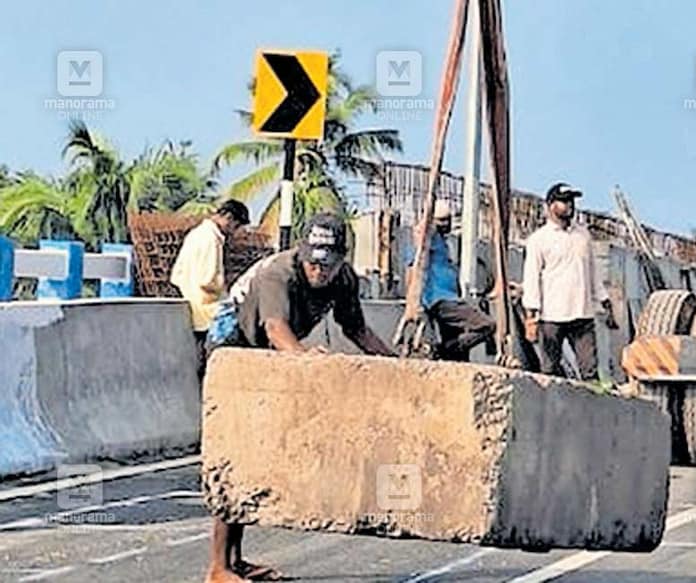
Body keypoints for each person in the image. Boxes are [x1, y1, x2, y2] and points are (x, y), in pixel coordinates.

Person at [202, 213, 394, 583]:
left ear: (341, 261)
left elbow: (355, 328)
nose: (318, 271)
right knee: (233, 456)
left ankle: (236, 560)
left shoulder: (344, 280)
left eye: (328, 264)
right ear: (302, 253)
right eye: (313, 262)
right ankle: (218, 567)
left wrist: (394, 366)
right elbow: (275, 329)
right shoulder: (279, 273)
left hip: (268, 358)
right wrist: (304, 361)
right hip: (231, 353)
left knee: (253, 460)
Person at [521, 182, 617, 380]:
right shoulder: (539, 240)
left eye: (571, 201)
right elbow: (531, 278)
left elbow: (592, 273)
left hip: (582, 313)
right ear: (550, 206)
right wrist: (531, 313)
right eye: (564, 201)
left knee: (590, 371)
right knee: (549, 372)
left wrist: (604, 301)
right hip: (552, 316)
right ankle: (551, 410)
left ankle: (591, 410)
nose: (569, 205)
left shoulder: (583, 236)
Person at [170, 200, 250, 380]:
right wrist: (225, 290)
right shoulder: (211, 239)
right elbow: (207, 280)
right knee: (214, 365)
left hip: (192, 309)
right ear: (229, 219)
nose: (235, 232)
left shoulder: (196, 234)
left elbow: (176, 274)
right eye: (236, 226)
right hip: (208, 313)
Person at [408, 200, 495, 361]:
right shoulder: (427, 237)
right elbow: (413, 267)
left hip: (450, 297)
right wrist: (413, 301)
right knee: (486, 325)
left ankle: (445, 354)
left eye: (448, 219)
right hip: (440, 299)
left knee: (459, 351)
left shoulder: (443, 242)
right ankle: (441, 351)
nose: (447, 224)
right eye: (442, 220)